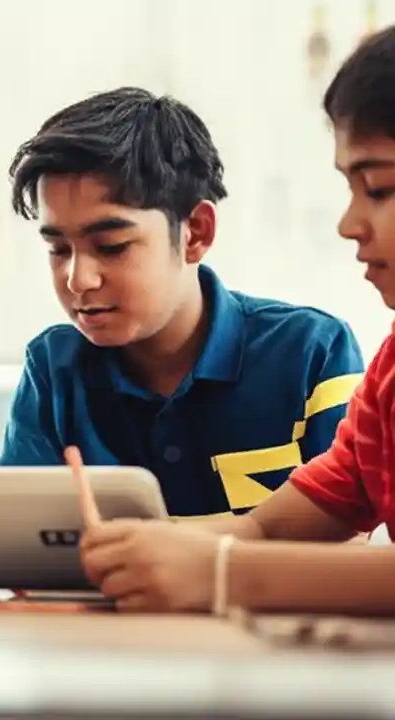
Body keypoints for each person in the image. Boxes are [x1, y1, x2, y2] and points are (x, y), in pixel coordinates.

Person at [0, 87, 363, 588]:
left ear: (195, 232)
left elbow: (346, 540)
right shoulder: (53, 368)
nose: (78, 280)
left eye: (110, 246)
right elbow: (22, 561)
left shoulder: (311, 350)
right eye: (59, 249)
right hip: (99, 649)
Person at [81, 26, 395, 614]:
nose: (349, 223)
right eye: (350, 188)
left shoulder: (311, 346)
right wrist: (128, 550)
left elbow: (245, 557)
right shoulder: (389, 374)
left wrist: (225, 575)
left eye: (379, 187)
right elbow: (269, 530)